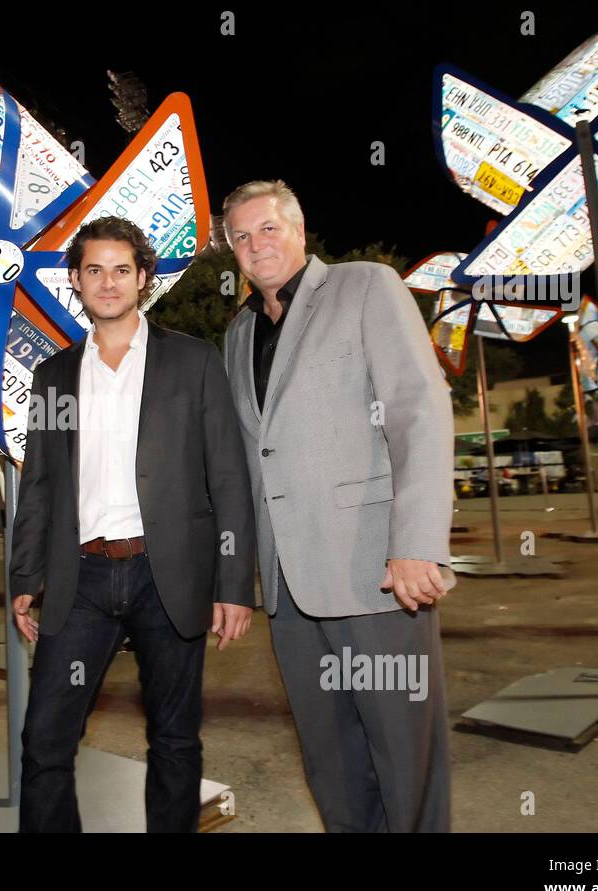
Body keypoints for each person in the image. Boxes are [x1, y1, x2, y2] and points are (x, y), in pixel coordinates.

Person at [9, 216, 256, 833]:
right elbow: (39, 484)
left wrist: (233, 586)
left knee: (174, 740)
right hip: (80, 579)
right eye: (94, 270)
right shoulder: (53, 376)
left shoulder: (193, 361)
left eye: (122, 269)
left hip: (166, 576)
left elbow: (228, 476)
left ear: (143, 278)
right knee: (45, 742)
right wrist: (25, 575)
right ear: (76, 280)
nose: (109, 282)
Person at [221, 180, 455, 832]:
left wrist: (416, 541)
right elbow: (248, 464)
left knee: (404, 753)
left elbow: (419, 410)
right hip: (290, 588)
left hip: (376, 571)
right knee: (331, 760)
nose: (255, 244)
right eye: (241, 236)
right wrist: (238, 577)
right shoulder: (238, 335)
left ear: (299, 229)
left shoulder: (366, 287)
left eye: (267, 227)